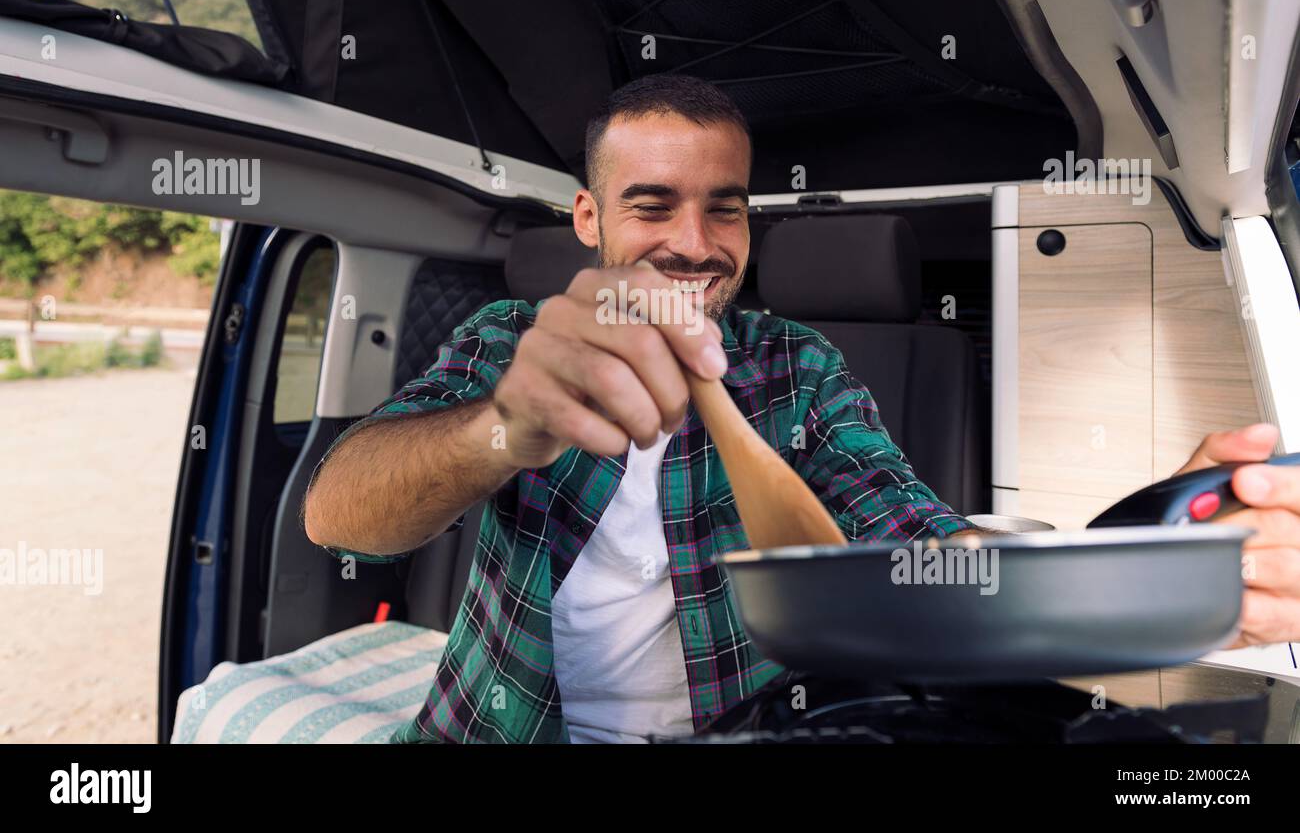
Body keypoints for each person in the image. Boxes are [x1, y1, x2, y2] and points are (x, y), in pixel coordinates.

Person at [303, 73, 1300, 743]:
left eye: (725, 204)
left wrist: (1147, 546)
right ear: (588, 216)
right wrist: (506, 427)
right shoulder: (507, 342)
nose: (694, 241)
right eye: (651, 204)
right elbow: (338, 513)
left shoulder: (795, 369)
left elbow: (927, 558)